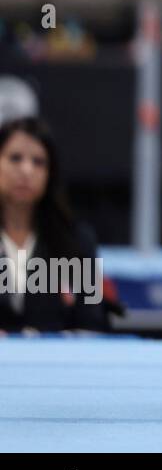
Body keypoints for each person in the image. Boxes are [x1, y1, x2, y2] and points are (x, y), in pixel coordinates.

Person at [0, 117, 116, 334]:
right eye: (15, 158)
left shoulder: (76, 241)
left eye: (38, 162)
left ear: (50, 174)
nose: (26, 170)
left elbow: (91, 324)